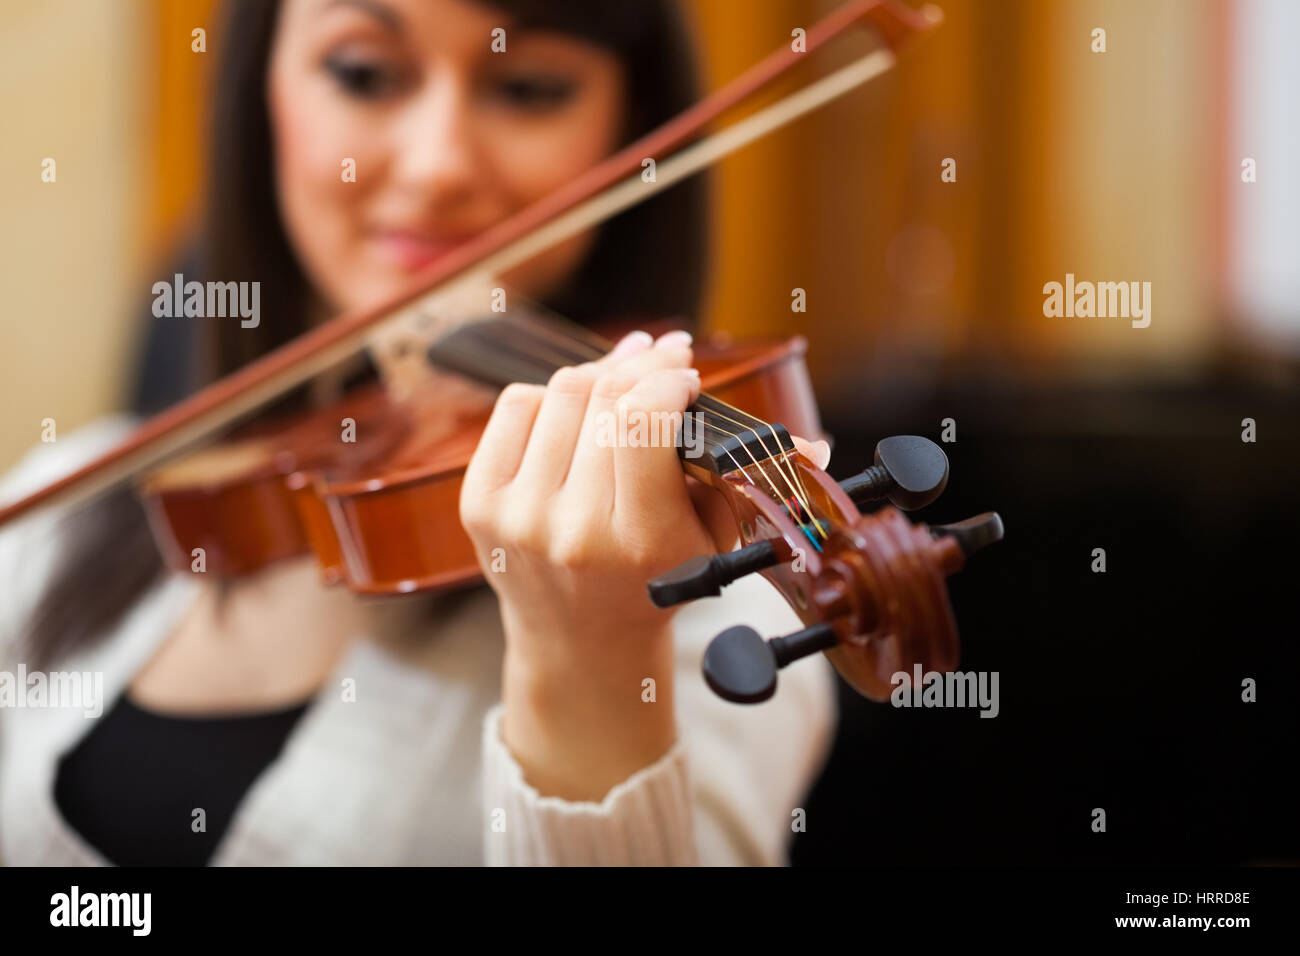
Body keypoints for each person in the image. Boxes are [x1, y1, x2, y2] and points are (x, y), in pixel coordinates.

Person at [0, 0, 835, 866]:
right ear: (260, 93)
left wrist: (596, 660)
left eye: (529, 87)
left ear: (632, 125)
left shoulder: (722, 601)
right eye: (363, 73)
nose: (439, 165)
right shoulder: (67, 502)